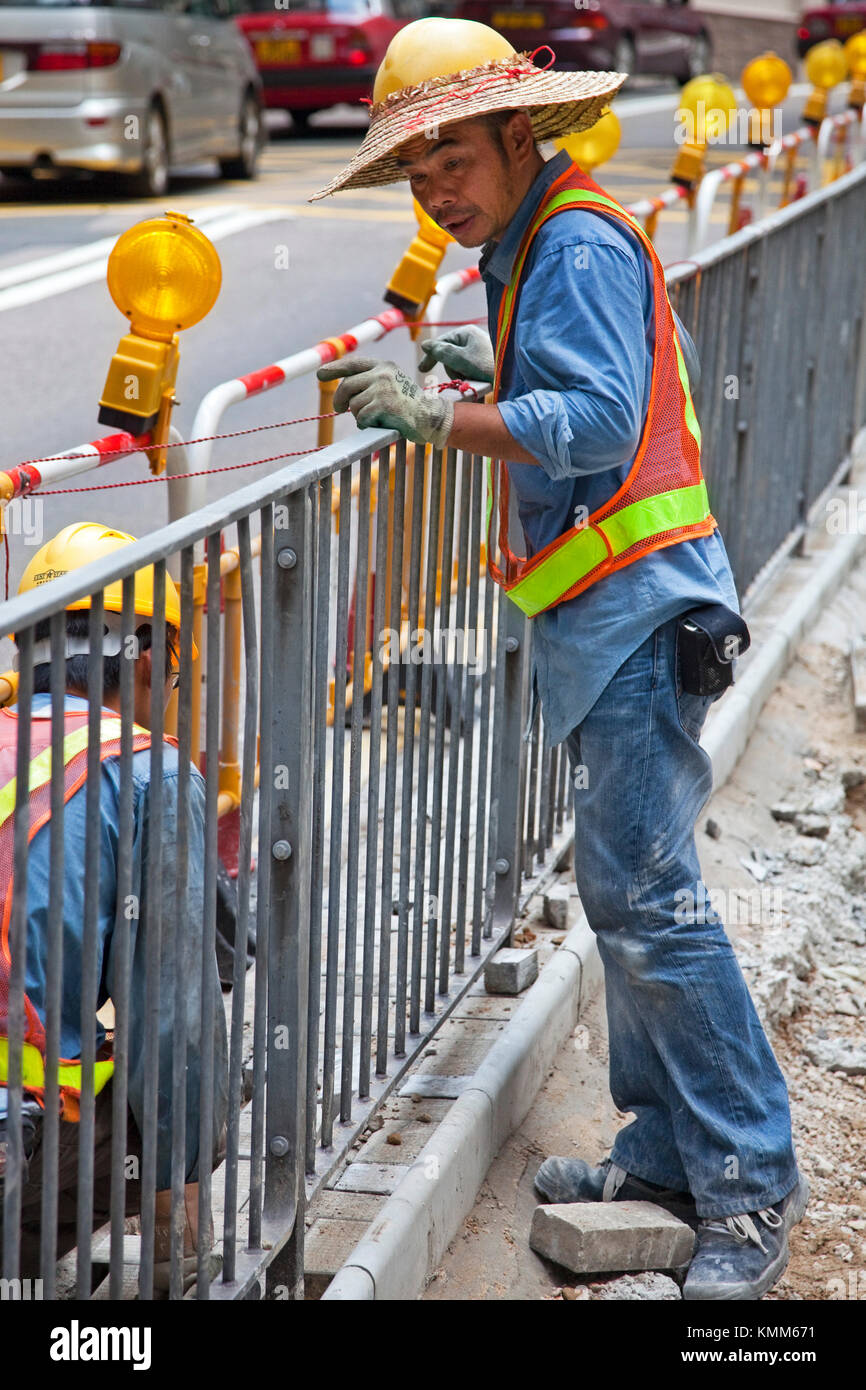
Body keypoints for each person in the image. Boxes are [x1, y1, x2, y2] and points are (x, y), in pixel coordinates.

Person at [310, 18, 808, 1300]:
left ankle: (748, 1184)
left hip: (635, 615)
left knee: (650, 906)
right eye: (419, 175)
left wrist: (444, 409)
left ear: (518, 135)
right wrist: (503, 363)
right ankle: (665, 1158)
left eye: (453, 160)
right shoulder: (535, 243)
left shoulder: (570, 238)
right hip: (611, 617)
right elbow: (643, 369)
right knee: (624, 898)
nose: (437, 190)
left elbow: (592, 424)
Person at [0, 522, 227, 1292]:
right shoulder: (147, 774)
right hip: (15, 1146)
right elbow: (175, 1023)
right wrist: (180, 1212)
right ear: (147, 660)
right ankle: (169, 1239)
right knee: (209, 1084)